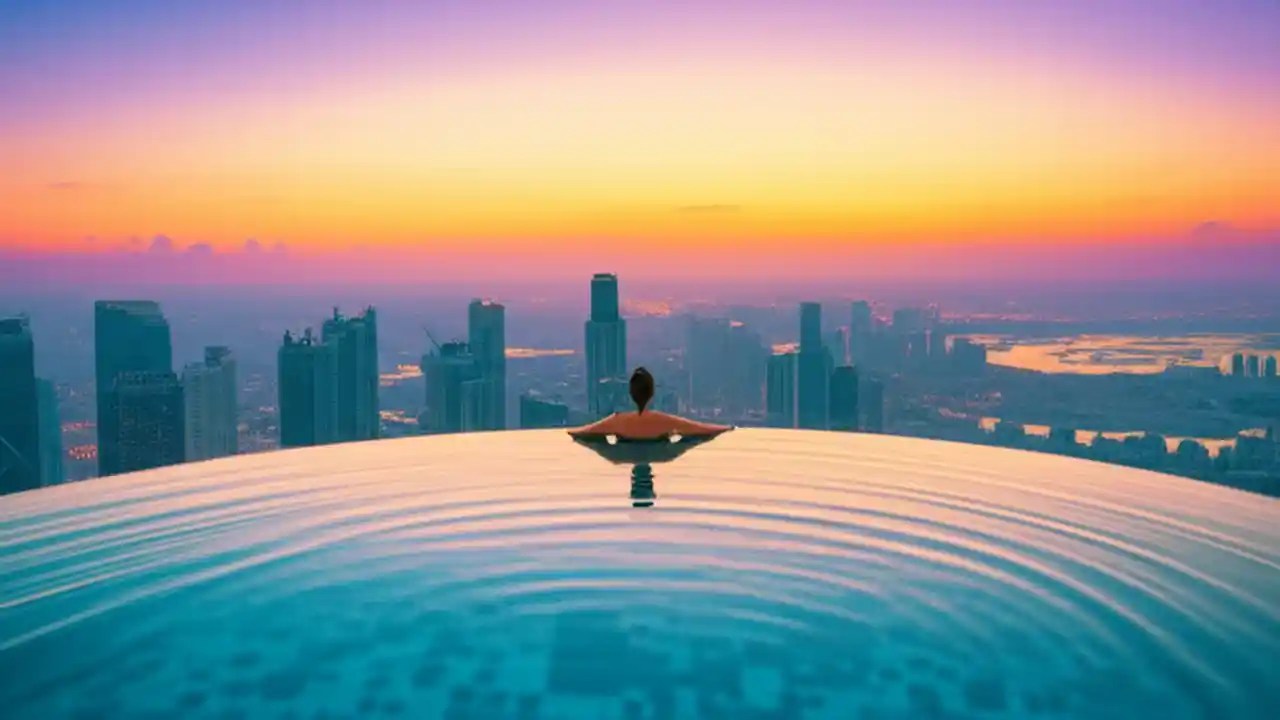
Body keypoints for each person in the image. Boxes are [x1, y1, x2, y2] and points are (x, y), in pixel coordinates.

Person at [568, 367, 733, 440]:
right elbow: (700, 429)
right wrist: (726, 428)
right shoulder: (664, 421)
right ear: (652, 393)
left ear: (631, 393)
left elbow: (583, 432)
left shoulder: (617, 421)